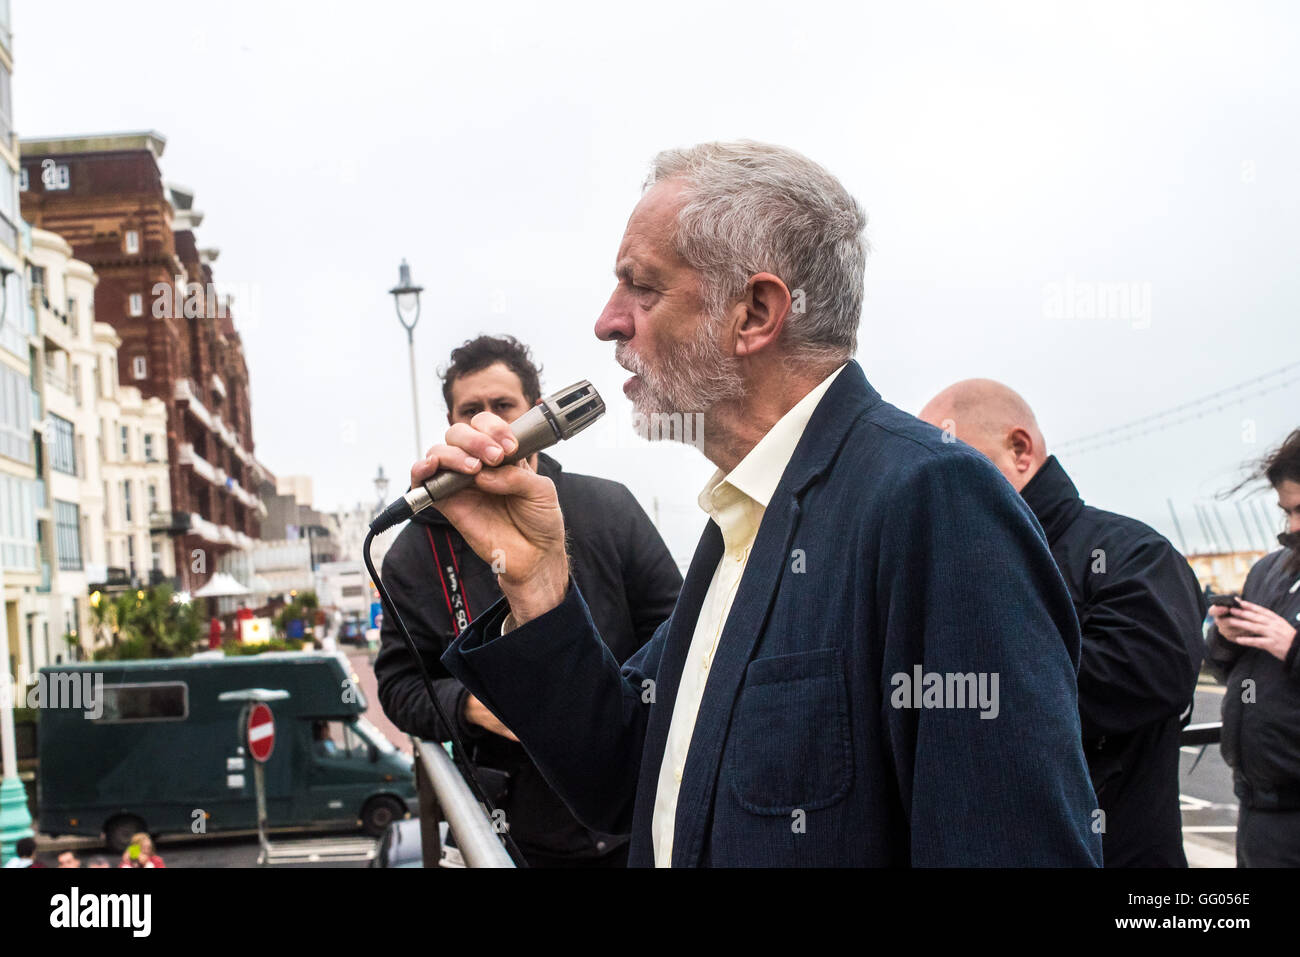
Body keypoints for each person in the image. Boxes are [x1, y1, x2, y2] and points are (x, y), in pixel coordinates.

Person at [421, 142, 1102, 866]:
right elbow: (624, 774)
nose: (607, 322)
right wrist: (538, 583)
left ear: (755, 312)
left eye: (641, 288)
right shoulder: (742, 518)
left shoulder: (933, 501)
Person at [375, 334, 682, 868]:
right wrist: (470, 705)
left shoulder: (607, 505)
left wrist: (614, 695)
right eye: (471, 410)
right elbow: (400, 686)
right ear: (450, 421)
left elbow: (677, 630)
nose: (488, 420)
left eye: (503, 406)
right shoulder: (414, 550)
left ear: (537, 412)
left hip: (634, 822)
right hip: (512, 834)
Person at [919, 379, 1205, 867]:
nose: (936, 487)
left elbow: (1152, 671)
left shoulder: (1133, 553)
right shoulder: (952, 561)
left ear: (1020, 450)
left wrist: (962, 678)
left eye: (953, 465)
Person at [1206, 428, 1300, 867]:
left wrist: (1294, 648)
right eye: (1286, 513)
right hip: (1258, 807)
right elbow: (1233, 674)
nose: (1293, 527)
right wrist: (1225, 639)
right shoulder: (1270, 571)